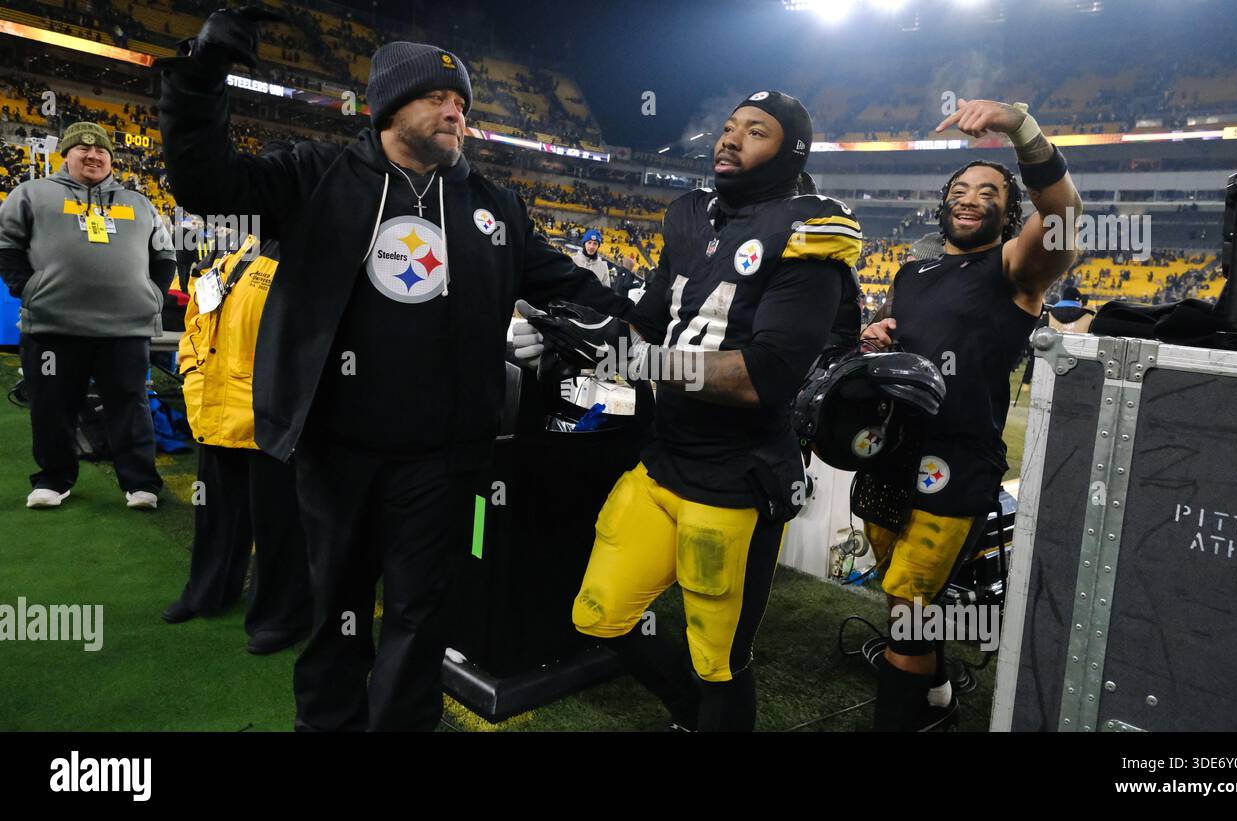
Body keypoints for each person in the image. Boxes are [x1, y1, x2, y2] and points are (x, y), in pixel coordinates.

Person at [157, 11, 631, 731]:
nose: (457, 112)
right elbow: (203, 181)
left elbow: (573, 287)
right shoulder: (317, 176)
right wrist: (200, 74)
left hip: (443, 461)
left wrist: (641, 320)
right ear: (388, 106)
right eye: (441, 98)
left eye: (465, 104)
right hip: (335, 450)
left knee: (419, 614)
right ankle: (326, 723)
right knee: (337, 609)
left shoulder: (493, 206)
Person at [532, 91, 862, 731]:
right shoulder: (686, 218)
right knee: (599, 615)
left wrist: (636, 358)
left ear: (791, 153)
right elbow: (645, 325)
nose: (730, 140)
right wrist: (570, 338)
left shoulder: (809, 234)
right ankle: (690, 713)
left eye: (756, 132)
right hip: (662, 464)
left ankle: (711, 714)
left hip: (736, 481)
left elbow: (760, 377)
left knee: (719, 661)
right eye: (729, 127)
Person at [860, 99, 1082, 731]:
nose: (969, 197)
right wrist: (881, 335)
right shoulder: (913, 269)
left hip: (954, 461)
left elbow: (1065, 220)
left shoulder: (1014, 266)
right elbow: (909, 342)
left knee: (909, 611)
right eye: (960, 188)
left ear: (1009, 212)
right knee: (903, 598)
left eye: (988, 191)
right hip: (889, 451)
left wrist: (1020, 127)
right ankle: (938, 700)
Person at [0, 121, 175, 510]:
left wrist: (155, 297)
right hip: (53, 324)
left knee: (131, 404)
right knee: (52, 404)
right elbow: (6, 245)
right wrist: (29, 290)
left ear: (111, 159)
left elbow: (164, 255)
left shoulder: (138, 203)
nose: (93, 156)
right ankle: (53, 480)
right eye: (83, 149)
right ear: (67, 154)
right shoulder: (31, 194)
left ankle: (141, 483)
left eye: (101, 152)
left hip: (126, 326)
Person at [163, 233, 313, 655]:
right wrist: (193, 370)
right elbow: (198, 316)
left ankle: (282, 616)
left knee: (278, 526)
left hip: (272, 418)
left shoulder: (308, 249)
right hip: (217, 409)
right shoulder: (238, 247)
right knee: (214, 513)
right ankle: (207, 590)